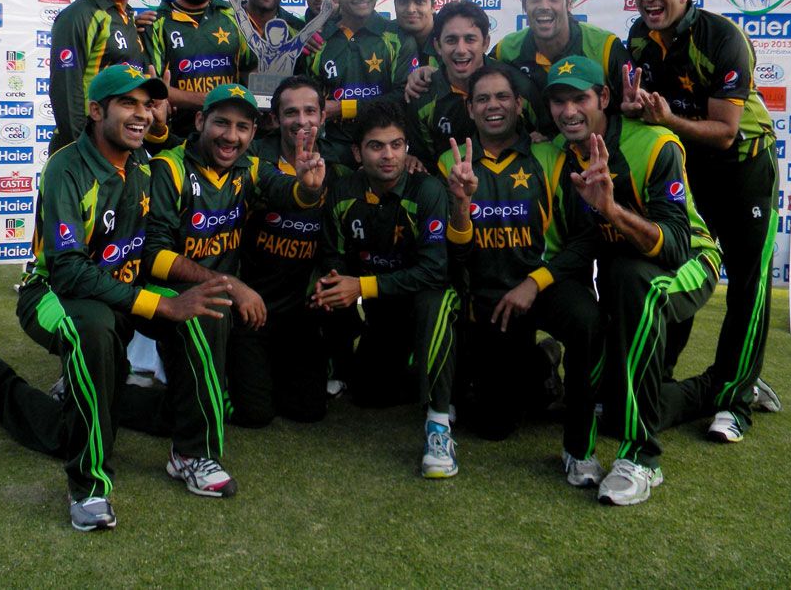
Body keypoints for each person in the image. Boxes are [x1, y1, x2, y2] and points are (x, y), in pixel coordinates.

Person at [0, 66, 236, 531]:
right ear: (95, 111)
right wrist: (158, 305)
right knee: (94, 333)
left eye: (148, 104)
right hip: (53, 295)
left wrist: (183, 293)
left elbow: (147, 251)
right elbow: (69, 270)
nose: (142, 115)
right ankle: (85, 482)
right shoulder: (67, 166)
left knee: (202, 312)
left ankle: (192, 454)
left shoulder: (145, 166)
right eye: (128, 103)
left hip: (118, 292)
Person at [545, 55, 721, 505]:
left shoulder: (655, 144)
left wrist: (612, 211)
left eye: (580, 98)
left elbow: (676, 246)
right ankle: (718, 388)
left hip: (688, 264)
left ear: (603, 97)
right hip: (626, 272)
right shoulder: (556, 154)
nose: (569, 112)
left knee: (632, 284)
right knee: (619, 399)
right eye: (558, 101)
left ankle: (641, 458)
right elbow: (580, 244)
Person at [622, 0, 781, 443]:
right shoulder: (639, 39)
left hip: (744, 166)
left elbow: (726, 132)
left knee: (749, 287)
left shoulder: (722, 37)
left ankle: (735, 398)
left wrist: (666, 120)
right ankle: (664, 379)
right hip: (691, 169)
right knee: (679, 269)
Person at [436, 64, 604, 488]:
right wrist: (460, 204)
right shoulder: (449, 163)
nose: (493, 106)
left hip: (544, 285)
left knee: (586, 319)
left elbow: (585, 242)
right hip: (489, 297)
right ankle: (541, 362)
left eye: (502, 97)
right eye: (483, 99)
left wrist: (534, 283)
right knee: (493, 425)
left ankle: (579, 450)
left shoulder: (551, 155)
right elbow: (454, 252)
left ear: (520, 104)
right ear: (470, 109)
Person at [139, 82, 327, 430]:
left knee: (281, 410)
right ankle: (124, 397)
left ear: (254, 132)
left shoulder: (250, 167)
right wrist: (230, 284)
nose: (231, 137)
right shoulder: (171, 167)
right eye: (221, 123)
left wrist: (307, 188)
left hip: (225, 303)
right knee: (188, 414)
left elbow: (285, 192)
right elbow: (154, 257)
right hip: (174, 297)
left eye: (242, 127)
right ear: (199, 122)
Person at [313, 101, 459, 479]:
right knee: (369, 395)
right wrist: (333, 286)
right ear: (358, 152)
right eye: (377, 146)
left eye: (397, 145)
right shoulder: (343, 191)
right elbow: (334, 257)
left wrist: (359, 287)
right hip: (383, 310)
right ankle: (431, 375)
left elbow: (434, 271)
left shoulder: (427, 190)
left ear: (407, 147)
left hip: (424, 304)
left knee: (434, 300)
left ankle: (439, 423)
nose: (388, 155)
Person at [230, 76, 347, 424]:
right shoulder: (252, 158)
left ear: (323, 117)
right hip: (253, 304)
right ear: (275, 118)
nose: (302, 120)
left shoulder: (339, 165)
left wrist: (326, 280)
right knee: (255, 415)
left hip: (301, 308)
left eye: (310, 111)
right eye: (291, 112)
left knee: (307, 411)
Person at [491, 0, 630, 138]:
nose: (544, 5)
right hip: (540, 154)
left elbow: (634, 105)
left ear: (569, 2)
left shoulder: (604, 45)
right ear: (524, 5)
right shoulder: (506, 49)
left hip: (599, 150)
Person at [305, 0, 418, 168]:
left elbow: (402, 100)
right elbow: (311, 103)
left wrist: (342, 108)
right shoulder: (317, 42)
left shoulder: (398, 38)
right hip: (332, 156)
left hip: (386, 154)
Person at [49, 0, 148, 152]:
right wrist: (80, 152)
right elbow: (65, 91)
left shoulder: (126, 17)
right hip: (86, 149)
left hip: (119, 149)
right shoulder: (79, 15)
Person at [142, 0, 251, 137]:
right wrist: (214, 99)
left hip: (230, 137)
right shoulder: (156, 22)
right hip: (178, 138)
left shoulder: (233, 16)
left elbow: (252, 67)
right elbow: (155, 87)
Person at [407, 0, 490, 170]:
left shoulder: (513, 85)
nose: (460, 49)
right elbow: (425, 163)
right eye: (451, 40)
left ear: (486, 43)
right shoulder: (422, 96)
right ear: (438, 46)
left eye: (470, 39)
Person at [389, 0, 439, 68]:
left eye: (419, 1)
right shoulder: (385, 37)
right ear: (395, 4)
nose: (411, 9)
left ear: (433, 6)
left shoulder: (447, 38)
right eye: (403, 1)